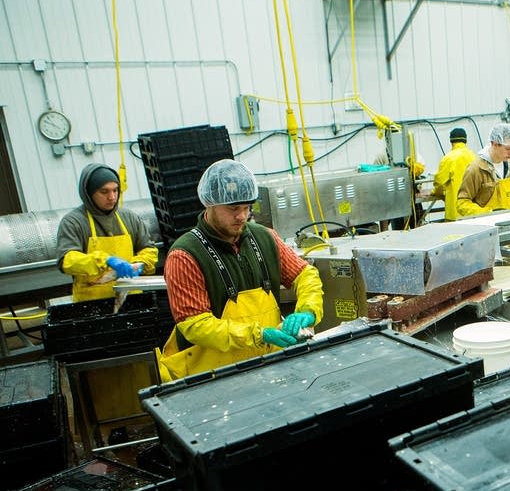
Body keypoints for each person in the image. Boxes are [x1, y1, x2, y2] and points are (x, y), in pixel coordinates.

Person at [157, 159, 324, 382]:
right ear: (210, 204)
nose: (241, 216)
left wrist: (308, 311)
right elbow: (196, 326)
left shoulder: (265, 237)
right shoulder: (185, 255)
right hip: (213, 378)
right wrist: (259, 334)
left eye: (247, 208)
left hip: (269, 366)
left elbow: (306, 275)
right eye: (233, 208)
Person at [56, 163, 158, 302]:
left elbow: (149, 249)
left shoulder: (129, 217)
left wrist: (139, 263)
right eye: (104, 192)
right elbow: (67, 260)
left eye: (115, 190)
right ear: (89, 193)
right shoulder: (73, 222)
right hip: (92, 303)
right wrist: (105, 260)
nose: (112, 197)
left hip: (131, 298)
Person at [430, 127, 477, 221]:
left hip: (455, 212)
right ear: (465, 141)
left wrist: (435, 192)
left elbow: (439, 182)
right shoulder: (475, 157)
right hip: (473, 211)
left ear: (451, 142)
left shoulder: (448, 159)